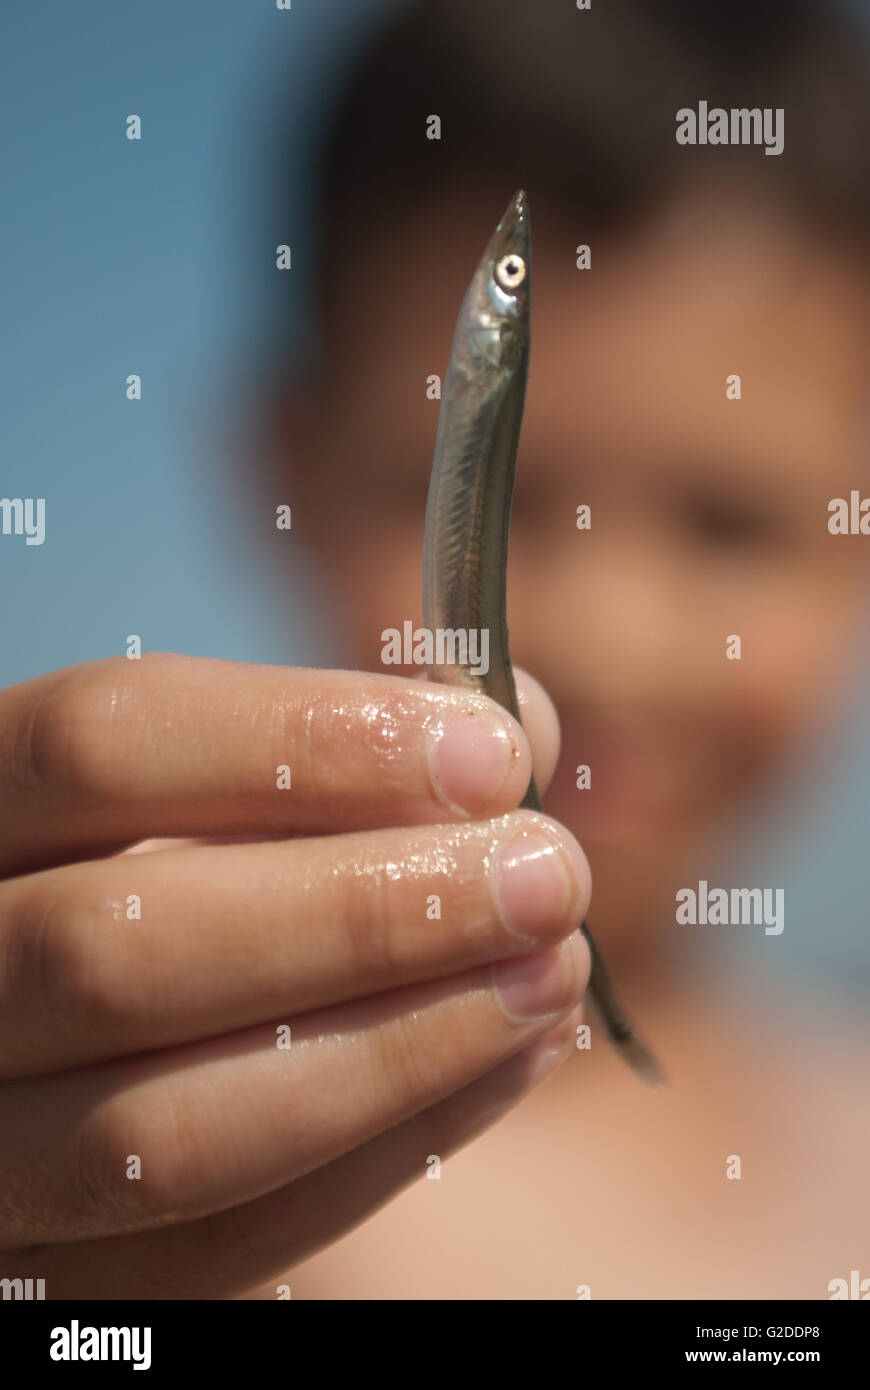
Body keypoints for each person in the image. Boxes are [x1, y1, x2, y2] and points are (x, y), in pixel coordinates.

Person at [1, 0, 868, 1298]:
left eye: (728, 522)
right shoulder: (126, 1164)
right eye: (508, 500)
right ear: (284, 473)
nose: (605, 639)